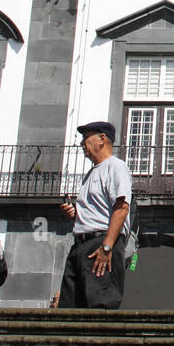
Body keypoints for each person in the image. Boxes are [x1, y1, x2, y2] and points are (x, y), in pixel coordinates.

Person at [57, 121, 133, 310]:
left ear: (102, 139)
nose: (82, 144)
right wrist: (75, 214)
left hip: (100, 243)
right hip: (81, 245)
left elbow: (122, 207)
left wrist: (107, 247)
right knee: (70, 306)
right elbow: (98, 210)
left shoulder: (116, 167)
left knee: (100, 303)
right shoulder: (92, 173)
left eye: (86, 138)